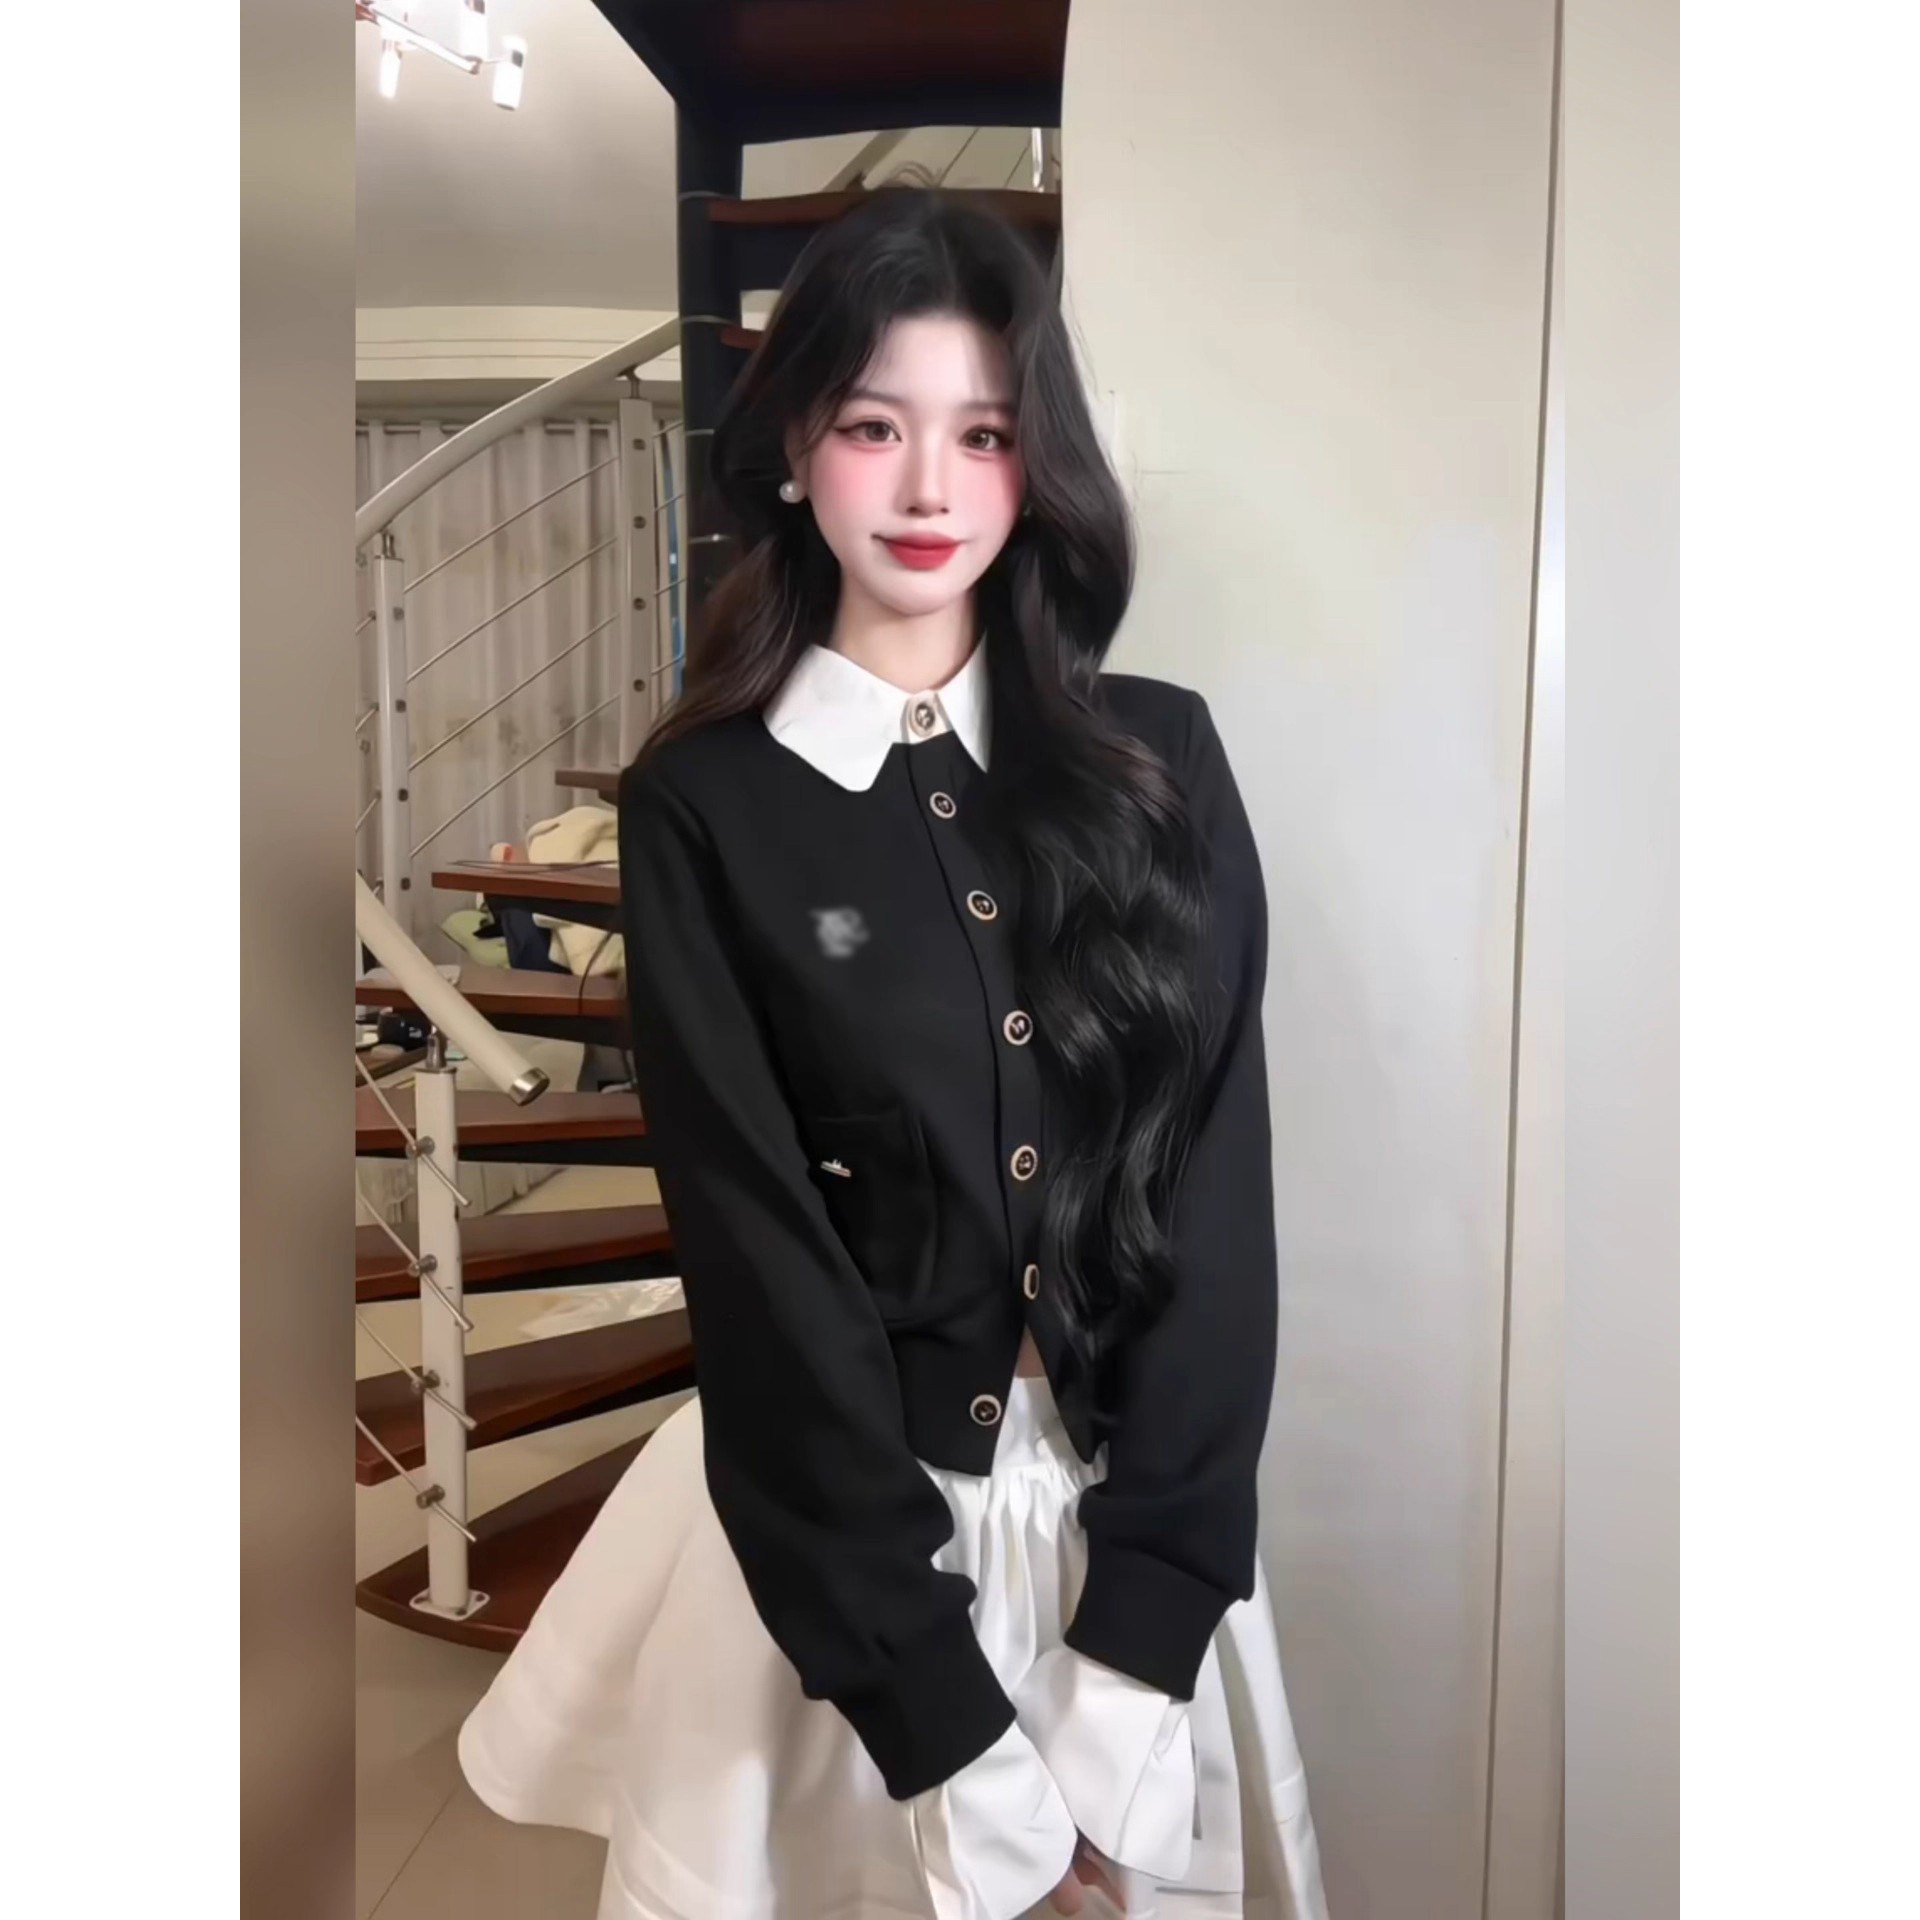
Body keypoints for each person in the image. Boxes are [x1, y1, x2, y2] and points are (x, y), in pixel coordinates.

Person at [458, 188, 1329, 1920]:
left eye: (984, 434)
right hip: (842, 1570)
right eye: (874, 427)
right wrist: (953, 1740)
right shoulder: (705, 807)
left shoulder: (1160, 762)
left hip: (1130, 1556)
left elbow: (1214, 1200)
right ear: (796, 449)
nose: (930, 488)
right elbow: (759, 1261)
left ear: (1037, 464)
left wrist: (1132, 1663)